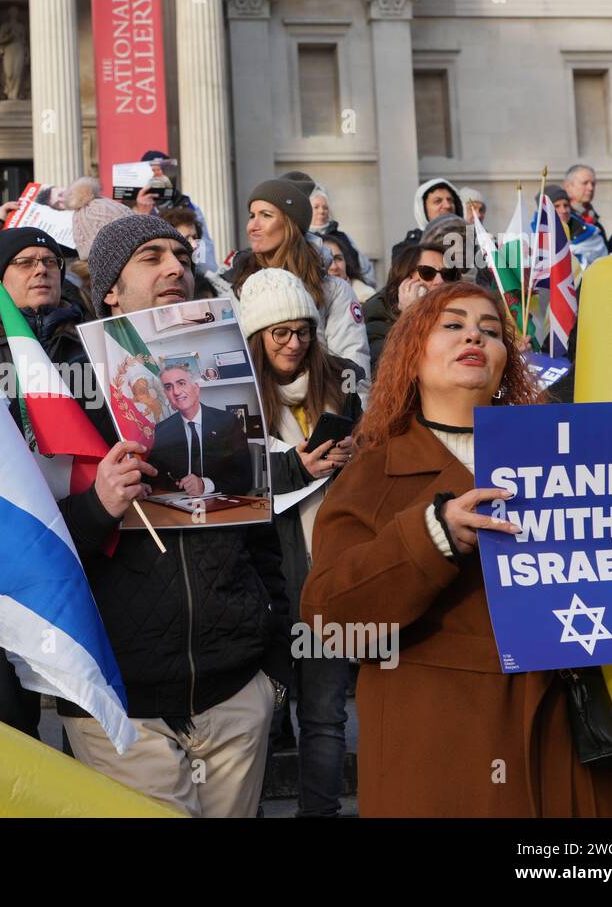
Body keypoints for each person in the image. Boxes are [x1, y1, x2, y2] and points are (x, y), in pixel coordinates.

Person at [303, 281, 612, 816]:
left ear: (508, 359)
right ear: (411, 353)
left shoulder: (570, 454)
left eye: (490, 330)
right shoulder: (374, 470)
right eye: (453, 325)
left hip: (567, 744)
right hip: (443, 752)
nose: (474, 338)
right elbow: (330, 620)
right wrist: (431, 536)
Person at [56, 213, 291, 817]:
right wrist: (97, 506)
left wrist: (271, 673)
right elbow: (32, 547)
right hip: (120, 706)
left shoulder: (227, 384)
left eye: (182, 257)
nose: (174, 267)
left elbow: (259, 529)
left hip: (234, 690)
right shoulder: (62, 392)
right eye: (151, 256)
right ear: (110, 287)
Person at [241, 267, 363, 817]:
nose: (294, 344)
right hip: (264, 580)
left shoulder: (342, 384)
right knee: (259, 719)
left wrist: (353, 459)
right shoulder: (234, 394)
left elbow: (375, 470)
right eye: (280, 333)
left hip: (331, 577)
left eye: (303, 331)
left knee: (324, 718)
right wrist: (295, 467)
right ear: (256, 338)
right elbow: (225, 483)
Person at [0, 227, 86, 737]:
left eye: (49, 261)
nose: (41, 269)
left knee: (81, 679)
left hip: (82, 521)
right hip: (6, 530)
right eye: (25, 262)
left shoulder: (88, 341)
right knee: (9, 689)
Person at [230, 178, 371, 385]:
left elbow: (353, 367)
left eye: (266, 215)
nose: (253, 226)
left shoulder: (333, 290)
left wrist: (351, 414)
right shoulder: (238, 286)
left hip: (320, 408)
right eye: (252, 216)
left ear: (291, 224)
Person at [147, 365, 252, 497]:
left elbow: (245, 478)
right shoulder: (162, 430)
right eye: (168, 387)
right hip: (179, 506)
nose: (176, 392)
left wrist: (204, 485)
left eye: (181, 383)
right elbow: (155, 476)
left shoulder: (227, 422)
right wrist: (144, 485)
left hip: (220, 502)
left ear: (196, 388)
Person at [362, 241, 451, 375]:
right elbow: (389, 371)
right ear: (405, 280)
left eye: (447, 274)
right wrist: (411, 316)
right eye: (428, 272)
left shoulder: (459, 312)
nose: (440, 281)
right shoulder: (377, 314)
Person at [563, 164, 610, 249]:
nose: (590, 188)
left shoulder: (596, 224)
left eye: (593, 184)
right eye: (585, 183)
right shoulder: (563, 220)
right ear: (568, 186)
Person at [322, 232, 373, 301]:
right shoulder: (306, 298)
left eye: (338, 259)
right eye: (326, 260)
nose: (334, 267)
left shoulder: (365, 297)